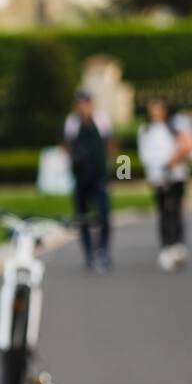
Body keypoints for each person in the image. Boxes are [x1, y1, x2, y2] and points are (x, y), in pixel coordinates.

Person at [137, 97, 192, 273]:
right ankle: (166, 246)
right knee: (164, 210)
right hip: (159, 177)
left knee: (176, 209)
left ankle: (178, 244)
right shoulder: (146, 130)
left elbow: (190, 151)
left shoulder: (175, 128)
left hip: (177, 175)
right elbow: (146, 155)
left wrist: (178, 159)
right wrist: (162, 166)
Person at [63, 89, 114, 272]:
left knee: (103, 215)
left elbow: (112, 145)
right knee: (82, 217)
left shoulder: (102, 120)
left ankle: (103, 251)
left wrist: (121, 174)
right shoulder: (72, 122)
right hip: (80, 177)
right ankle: (89, 253)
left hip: (99, 176)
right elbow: (66, 145)